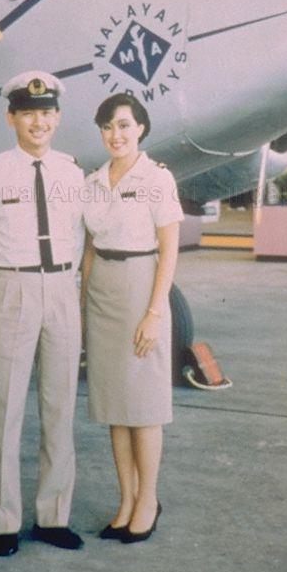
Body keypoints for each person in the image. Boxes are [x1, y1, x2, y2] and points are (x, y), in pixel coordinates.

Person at [0, 71, 84, 557]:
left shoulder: (73, 171)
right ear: (11, 117)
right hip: (9, 287)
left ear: (57, 117)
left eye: (47, 112)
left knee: (59, 409)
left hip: (61, 290)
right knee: (5, 410)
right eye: (28, 113)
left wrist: (63, 284)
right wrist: (7, 292)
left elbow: (78, 236)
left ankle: (53, 517)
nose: (39, 121)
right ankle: (2, 521)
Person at [81, 93, 184, 544]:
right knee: (114, 409)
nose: (115, 135)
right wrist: (84, 307)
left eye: (123, 125)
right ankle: (125, 499)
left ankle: (149, 499)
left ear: (140, 127)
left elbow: (170, 248)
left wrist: (154, 312)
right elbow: (87, 248)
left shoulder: (157, 177)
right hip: (102, 290)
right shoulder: (93, 180)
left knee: (144, 407)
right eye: (107, 127)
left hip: (142, 287)